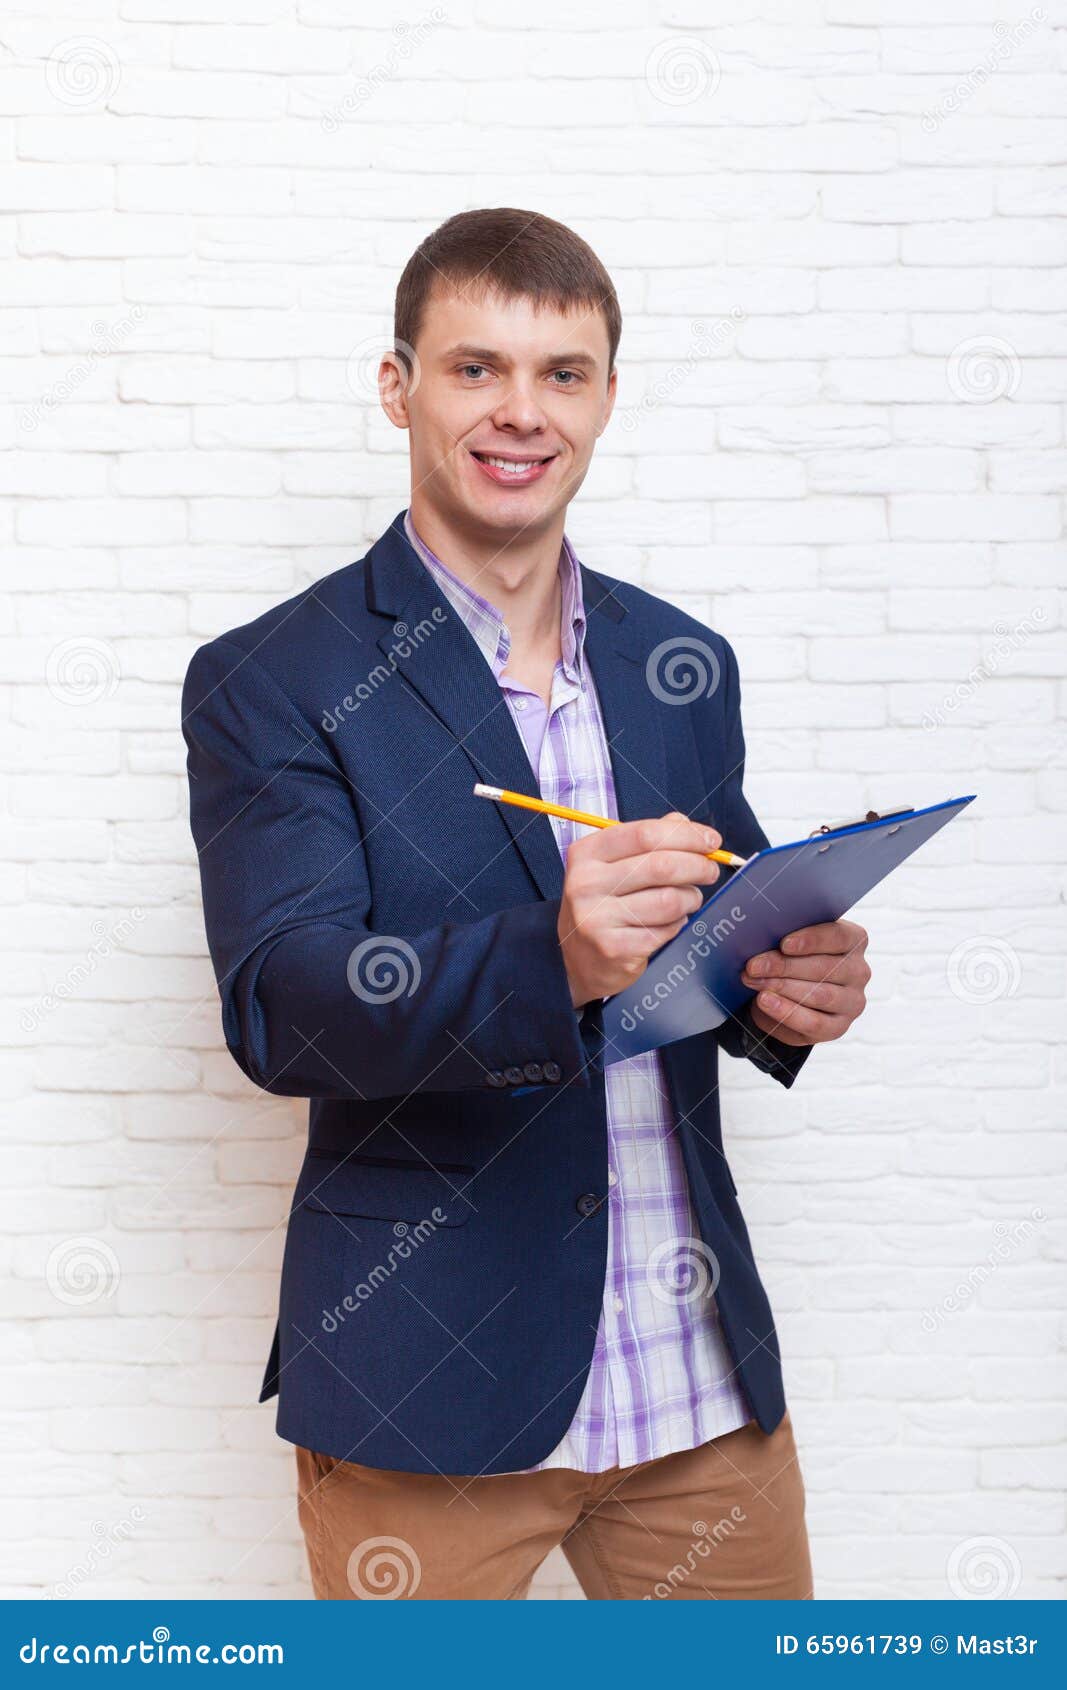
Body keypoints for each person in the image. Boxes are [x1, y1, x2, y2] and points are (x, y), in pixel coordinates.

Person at [182, 208, 870, 1601]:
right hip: (427, 1400)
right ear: (399, 388)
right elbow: (283, 1004)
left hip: (695, 1394)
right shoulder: (277, 678)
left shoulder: (681, 658)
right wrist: (547, 953)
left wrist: (785, 986)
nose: (522, 411)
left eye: (564, 372)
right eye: (475, 367)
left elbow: (711, 923)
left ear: (609, 394)